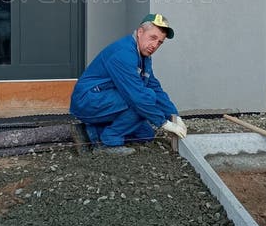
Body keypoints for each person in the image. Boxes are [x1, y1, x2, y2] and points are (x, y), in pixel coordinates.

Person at [70, 13, 186, 155]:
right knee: (145, 99)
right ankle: (109, 142)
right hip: (88, 101)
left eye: (160, 42)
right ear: (140, 32)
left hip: (106, 99)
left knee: (146, 134)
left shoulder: (144, 56)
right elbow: (137, 96)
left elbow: (154, 87)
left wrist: (174, 116)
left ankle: (91, 132)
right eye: (153, 38)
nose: (155, 45)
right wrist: (164, 123)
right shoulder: (123, 53)